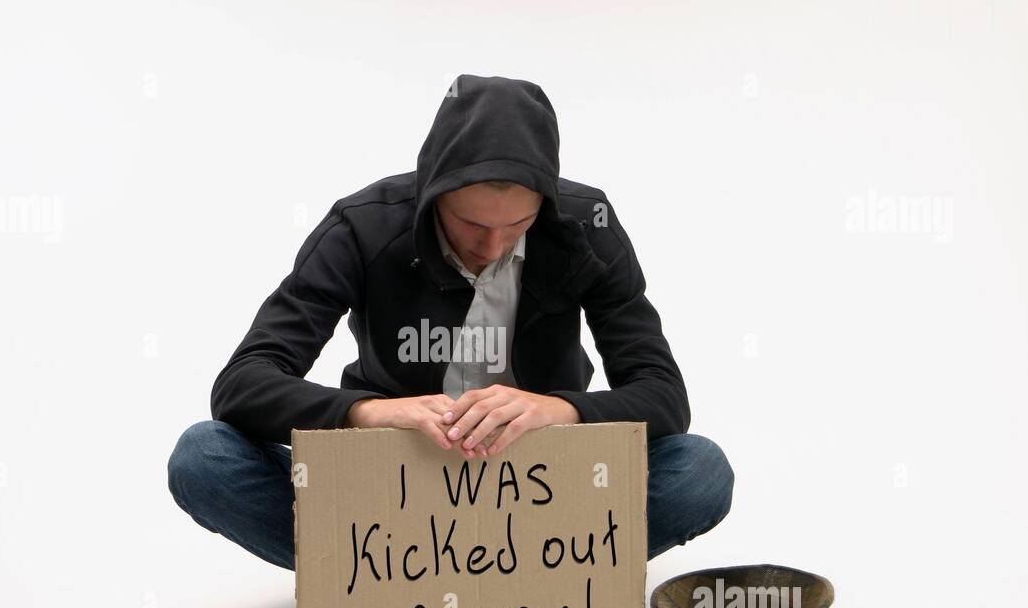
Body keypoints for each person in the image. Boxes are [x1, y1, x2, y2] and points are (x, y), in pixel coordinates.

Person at [168, 74, 734, 571]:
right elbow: (242, 385)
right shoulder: (362, 226)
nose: (493, 245)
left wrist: (555, 409)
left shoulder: (590, 225)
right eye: (470, 224)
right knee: (204, 457)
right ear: (434, 193)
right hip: (387, 495)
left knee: (700, 469)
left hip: (546, 493)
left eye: (518, 225)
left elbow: (664, 397)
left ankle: (521, 567)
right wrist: (372, 413)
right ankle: (383, 570)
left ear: (546, 203)